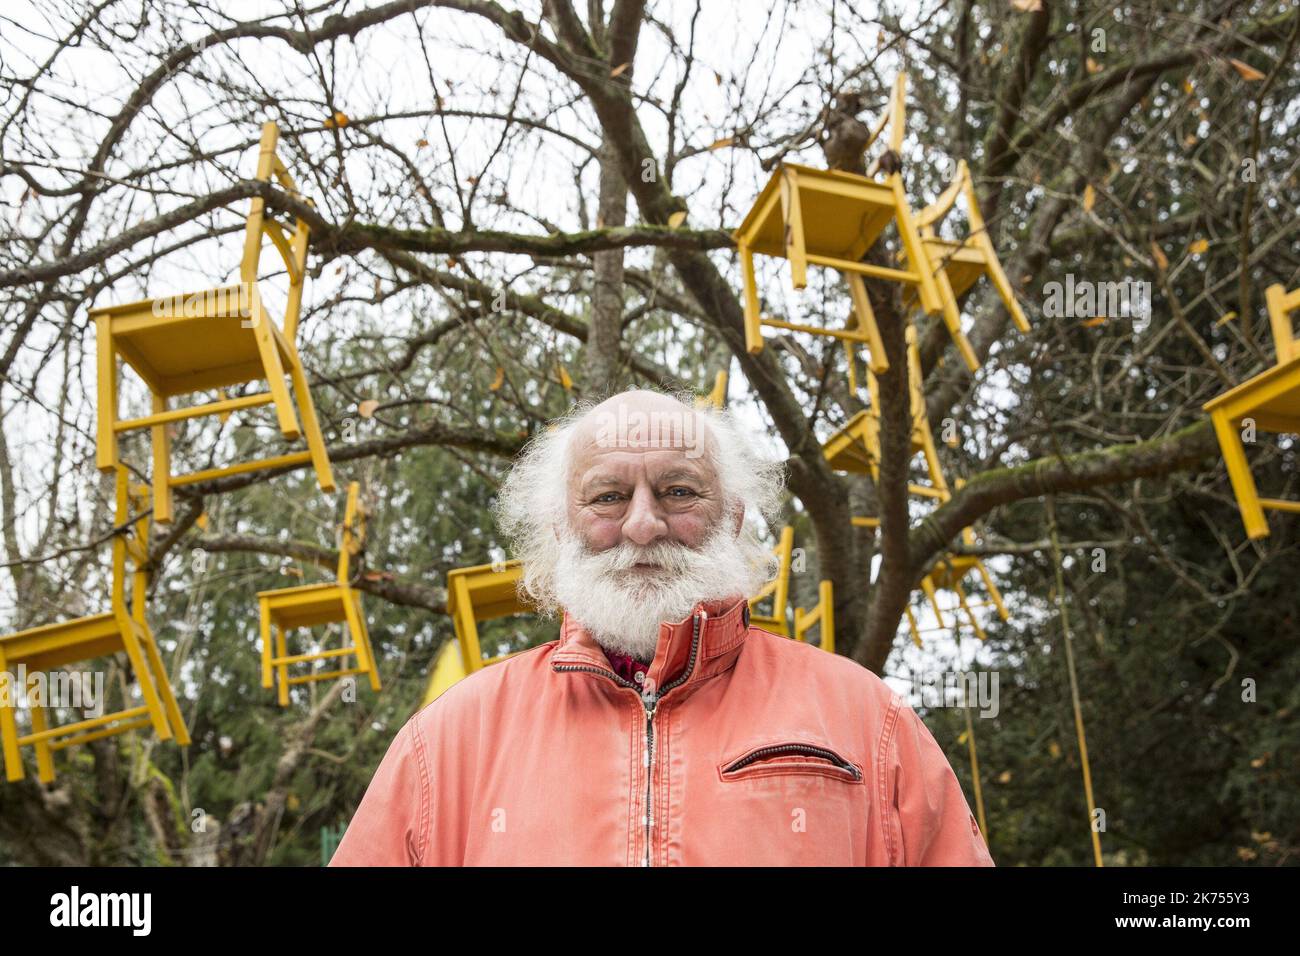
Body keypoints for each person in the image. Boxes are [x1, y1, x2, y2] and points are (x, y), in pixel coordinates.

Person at [329, 389, 994, 866]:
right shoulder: (449, 740)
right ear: (562, 526)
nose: (643, 525)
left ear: (731, 518)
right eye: (608, 497)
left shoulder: (866, 720)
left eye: (678, 492)